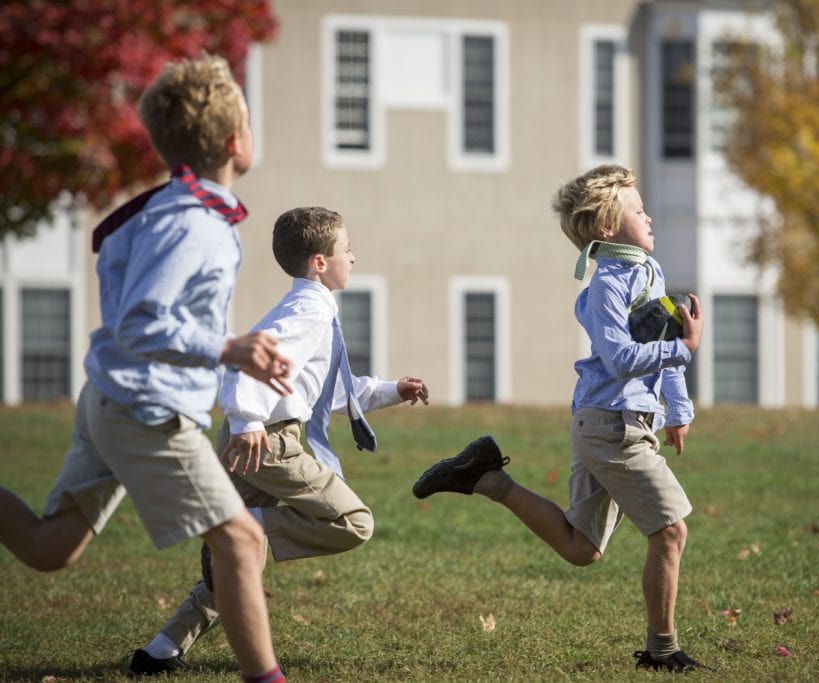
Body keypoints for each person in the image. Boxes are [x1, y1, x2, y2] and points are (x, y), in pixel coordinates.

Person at [0, 55, 291, 683]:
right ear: (235, 140)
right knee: (243, 541)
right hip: (145, 410)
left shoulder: (163, 208)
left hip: (109, 397)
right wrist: (229, 348)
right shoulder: (193, 222)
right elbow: (141, 320)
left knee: (50, 547)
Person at [413, 164, 710, 673]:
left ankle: (485, 476)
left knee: (582, 548)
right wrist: (684, 351)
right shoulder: (607, 287)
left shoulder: (650, 273)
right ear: (607, 229)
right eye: (638, 210)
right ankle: (663, 652)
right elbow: (621, 358)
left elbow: (664, 343)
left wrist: (678, 409)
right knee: (671, 531)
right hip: (610, 427)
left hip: (620, 422)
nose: (650, 214)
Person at [128, 206, 430, 675]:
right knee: (353, 522)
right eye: (346, 250)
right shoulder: (308, 311)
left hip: (254, 434)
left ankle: (160, 649)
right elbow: (246, 361)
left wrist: (391, 391)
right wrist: (248, 419)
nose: (354, 257)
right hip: (266, 441)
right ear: (319, 262)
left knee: (238, 557)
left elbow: (320, 393)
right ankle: (243, 520)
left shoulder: (311, 309)